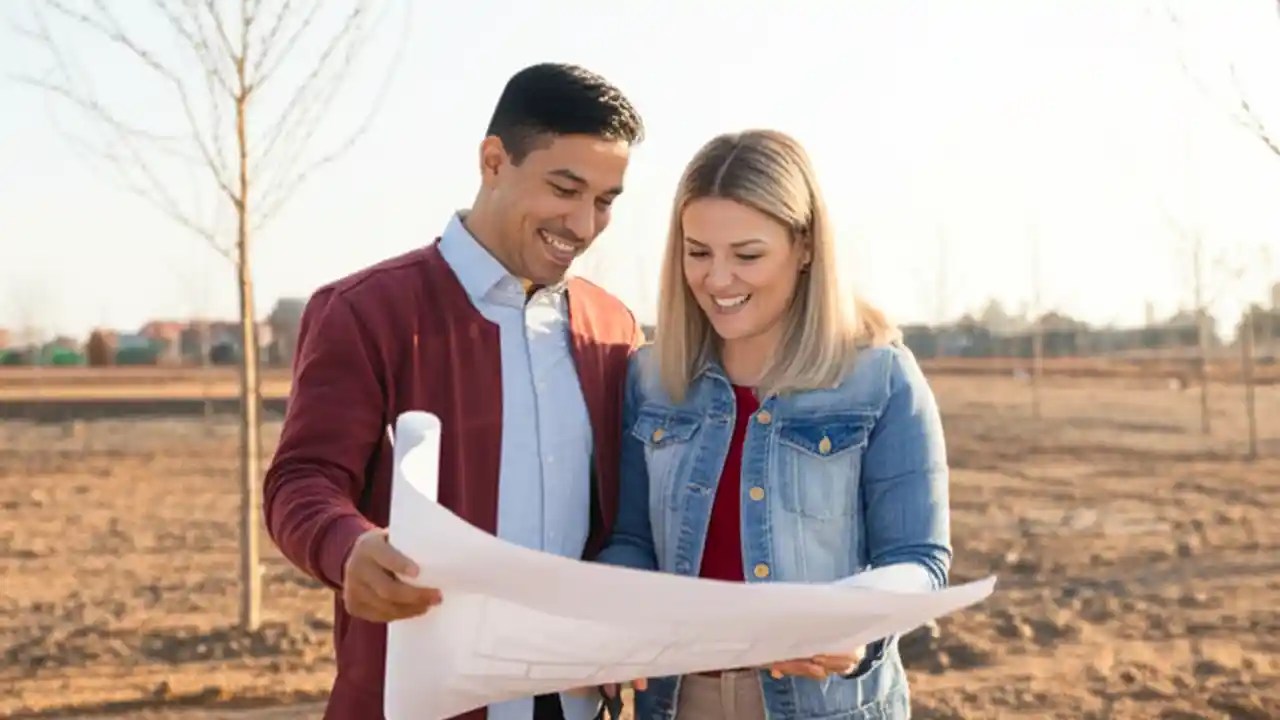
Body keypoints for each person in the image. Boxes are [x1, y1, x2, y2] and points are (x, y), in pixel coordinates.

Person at [262, 62, 647, 720]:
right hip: (414, 699)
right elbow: (302, 480)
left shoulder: (614, 329)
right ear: (494, 160)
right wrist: (347, 545)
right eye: (565, 188)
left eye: (605, 200)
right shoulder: (364, 311)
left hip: (576, 704)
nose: (584, 224)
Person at [596, 129, 953, 720]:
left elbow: (920, 559)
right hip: (681, 702)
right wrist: (616, 607)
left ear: (805, 246)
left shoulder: (880, 377)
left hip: (829, 707)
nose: (717, 279)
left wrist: (857, 624)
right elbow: (632, 540)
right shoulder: (651, 379)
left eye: (748, 255)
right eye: (698, 252)